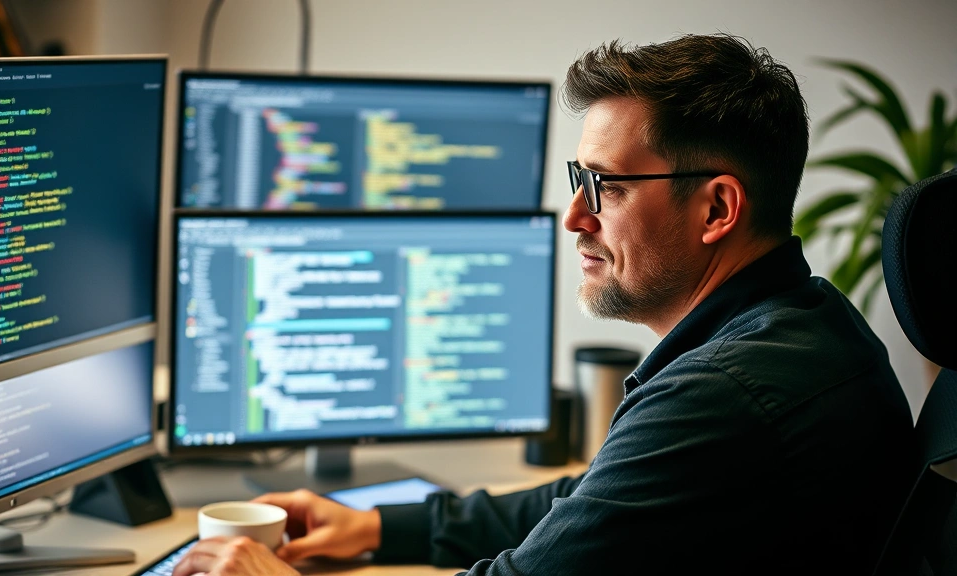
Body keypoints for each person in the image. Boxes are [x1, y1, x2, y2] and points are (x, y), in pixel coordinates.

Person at [173, 33, 915, 576]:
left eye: (606, 186)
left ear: (717, 208)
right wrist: (375, 527)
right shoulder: (810, 321)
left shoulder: (726, 394)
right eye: (576, 179)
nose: (573, 217)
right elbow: (595, 503)